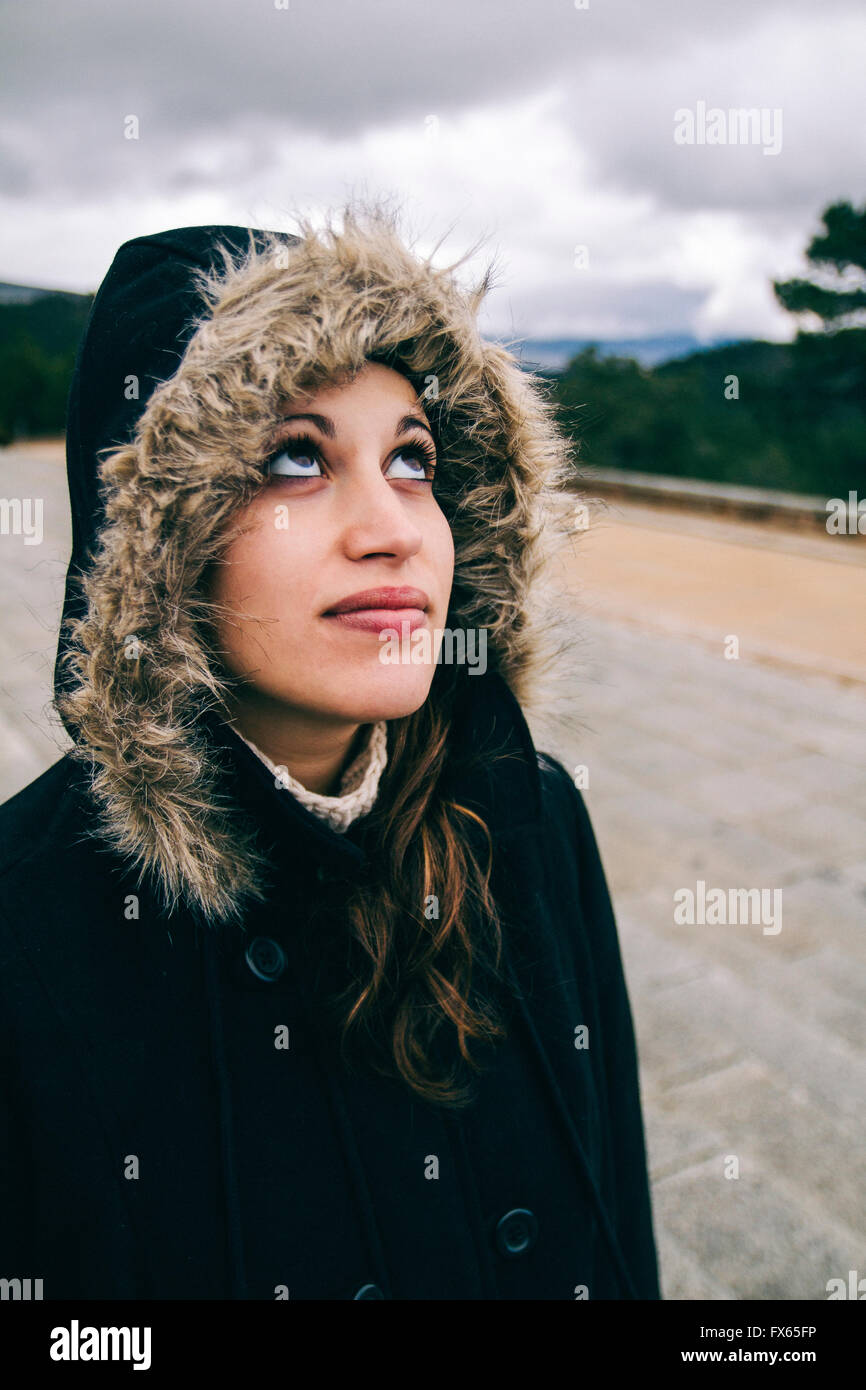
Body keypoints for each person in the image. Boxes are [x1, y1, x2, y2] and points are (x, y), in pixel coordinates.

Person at [0, 202, 661, 1300]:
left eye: (412, 459)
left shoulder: (532, 818)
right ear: (158, 540)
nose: (391, 526)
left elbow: (619, 1229)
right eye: (296, 459)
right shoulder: (27, 933)